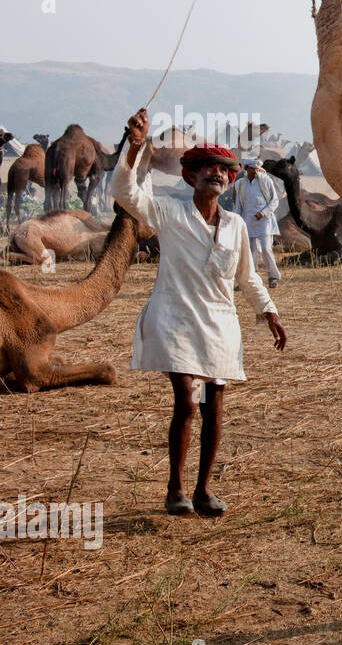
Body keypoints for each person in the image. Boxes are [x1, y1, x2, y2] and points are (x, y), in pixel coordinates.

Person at [111, 108, 288, 517]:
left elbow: (248, 277)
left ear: (230, 179)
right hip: (175, 320)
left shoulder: (237, 227)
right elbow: (124, 192)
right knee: (188, 401)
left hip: (219, 325)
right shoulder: (169, 213)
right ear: (190, 177)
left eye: (223, 169)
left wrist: (269, 313)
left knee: (214, 407)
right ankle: (175, 488)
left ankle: (203, 489)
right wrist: (135, 148)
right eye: (206, 168)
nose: (216, 173)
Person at [233, 156, 283, 289]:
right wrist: (237, 222)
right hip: (248, 221)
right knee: (250, 252)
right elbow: (238, 205)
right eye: (252, 168)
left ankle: (273, 276)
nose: (255, 171)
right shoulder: (240, 184)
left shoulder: (266, 181)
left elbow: (275, 201)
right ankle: (249, 279)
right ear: (246, 169)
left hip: (264, 221)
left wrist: (264, 212)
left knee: (266, 249)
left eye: (256, 168)